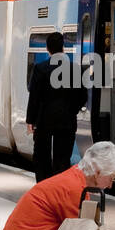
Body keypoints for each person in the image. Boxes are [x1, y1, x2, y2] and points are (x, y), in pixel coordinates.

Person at [26, 31, 87, 182]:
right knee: (62, 160)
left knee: (42, 158)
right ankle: (59, 192)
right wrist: (71, 110)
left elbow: (34, 97)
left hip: (44, 121)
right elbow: (83, 96)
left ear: (48, 48)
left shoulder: (41, 68)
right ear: (63, 48)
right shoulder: (75, 69)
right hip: (67, 121)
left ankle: (44, 190)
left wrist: (30, 121)